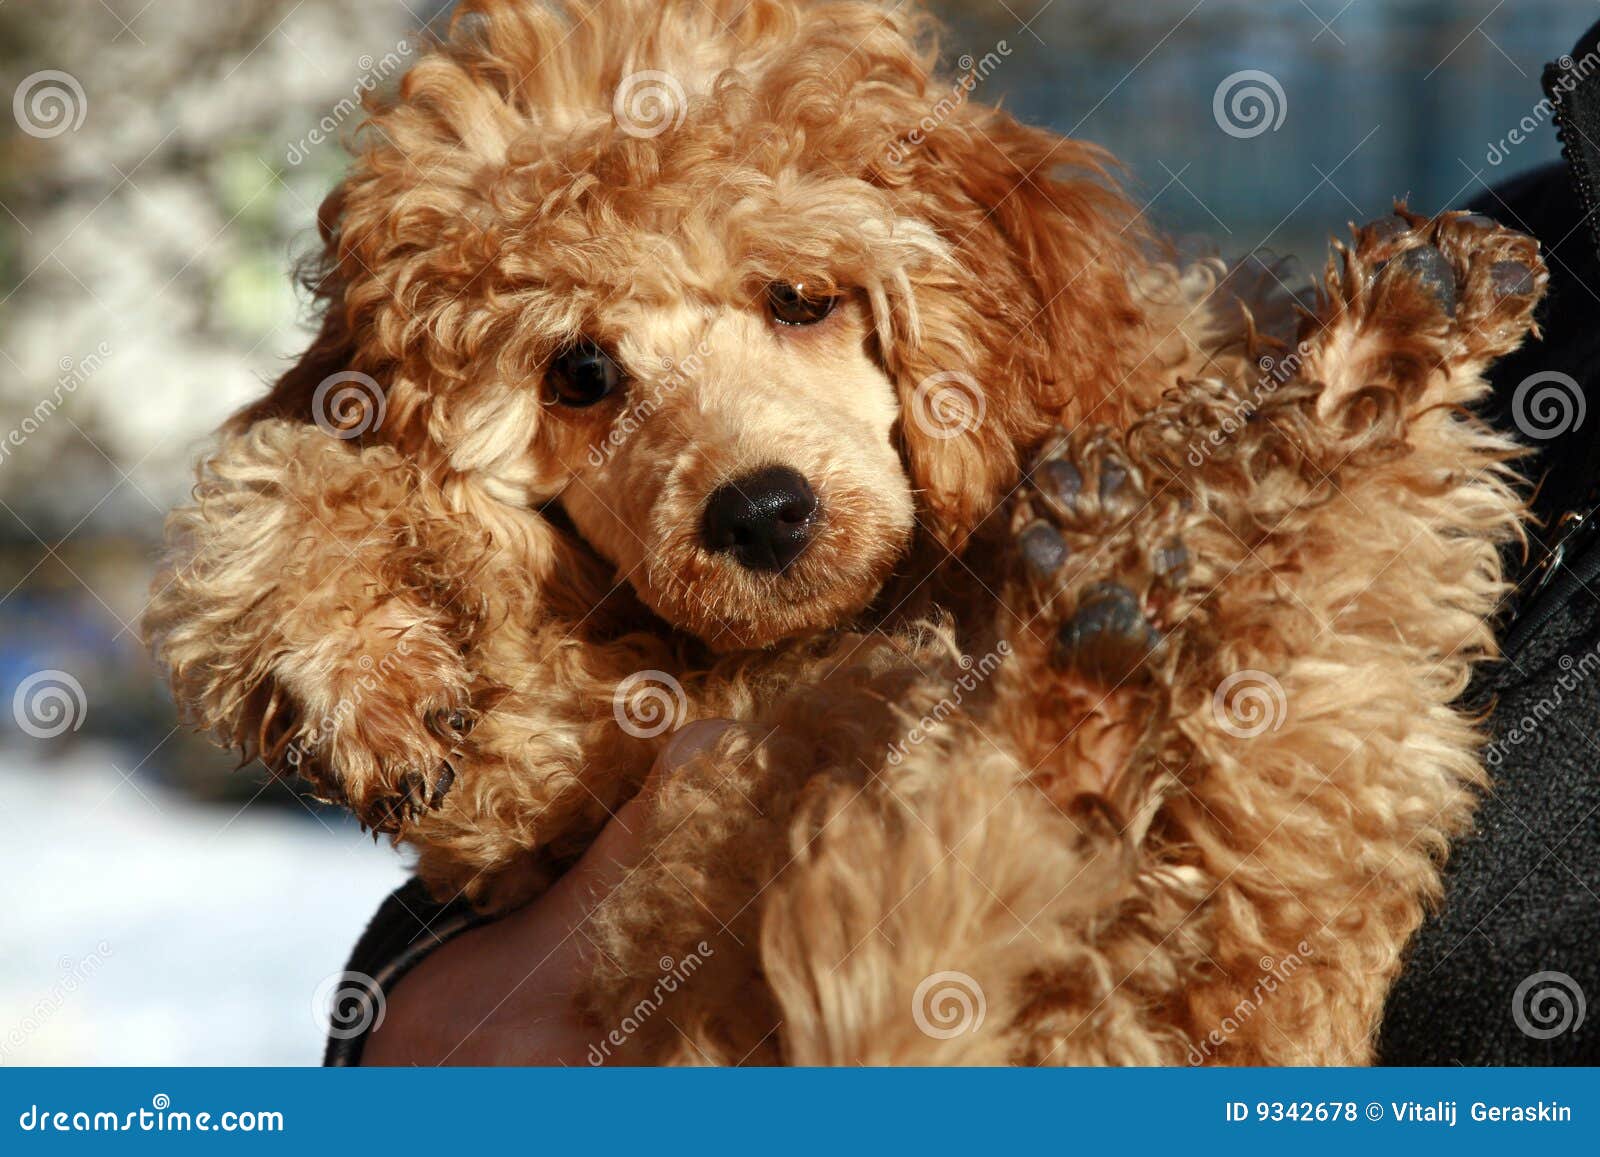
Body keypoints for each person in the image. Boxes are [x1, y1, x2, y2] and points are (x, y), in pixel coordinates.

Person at [330, 22, 1600, 1068]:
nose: (738, 477)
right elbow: (470, 992)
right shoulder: (1544, 274)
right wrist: (411, 1019)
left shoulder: (1437, 320)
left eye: (801, 304)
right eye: (586, 376)